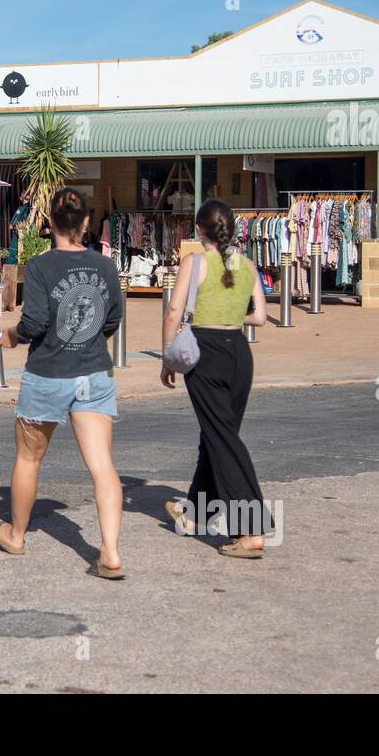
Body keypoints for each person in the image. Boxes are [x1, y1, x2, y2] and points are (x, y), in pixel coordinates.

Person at [0, 187, 127, 579]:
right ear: (86, 223)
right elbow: (113, 318)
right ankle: (111, 551)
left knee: (29, 458)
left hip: (48, 374)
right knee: (102, 465)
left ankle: (16, 535)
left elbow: (34, 323)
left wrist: (13, 335)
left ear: (49, 223)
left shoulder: (39, 266)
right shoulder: (105, 266)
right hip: (94, 373)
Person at [160, 199, 270, 559]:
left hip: (205, 353)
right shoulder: (248, 265)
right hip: (239, 352)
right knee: (218, 434)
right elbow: (261, 317)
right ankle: (196, 514)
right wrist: (233, 316)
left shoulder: (194, 263)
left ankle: (250, 529)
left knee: (223, 439)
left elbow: (175, 310)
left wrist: (168, 356)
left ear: (199, 229)